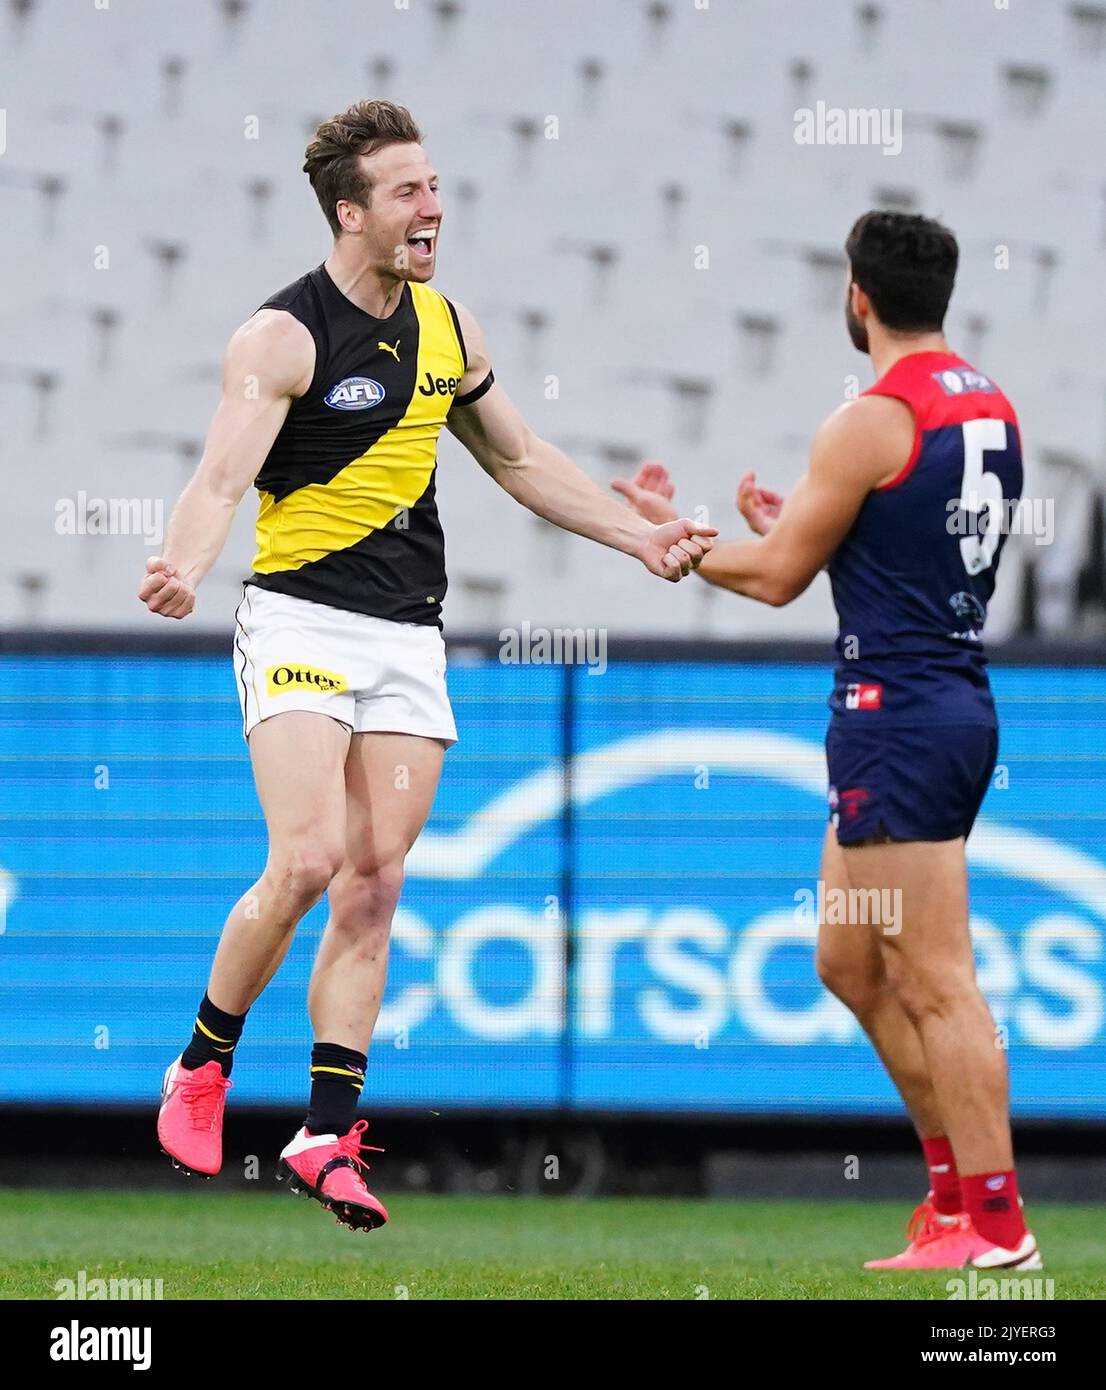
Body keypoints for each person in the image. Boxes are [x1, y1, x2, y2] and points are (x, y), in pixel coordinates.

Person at [139, 99, 714, 1231]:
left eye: (436, 186)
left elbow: (519, 458)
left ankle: (324, 1132)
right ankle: (201, 1066)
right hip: (299, 621)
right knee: (304, 858)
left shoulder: (449, 329)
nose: (433, 207)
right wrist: (184, 565)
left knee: (375, 879)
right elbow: (219, 480)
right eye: (407, 191)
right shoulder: (281, 337)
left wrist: (635, 534)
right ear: (348, 213)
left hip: (406, 637)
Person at [613, 210, 1039, 1271]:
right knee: (847, 959)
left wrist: (670, 539)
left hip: (896, 715)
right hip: (934, 700)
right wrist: (801, 514)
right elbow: (899, 546)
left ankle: (995, 1227)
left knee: (936, 977)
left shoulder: (866, 418)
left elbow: (772, 579)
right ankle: (951, 1201)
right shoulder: (983, 400)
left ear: (856, 295)